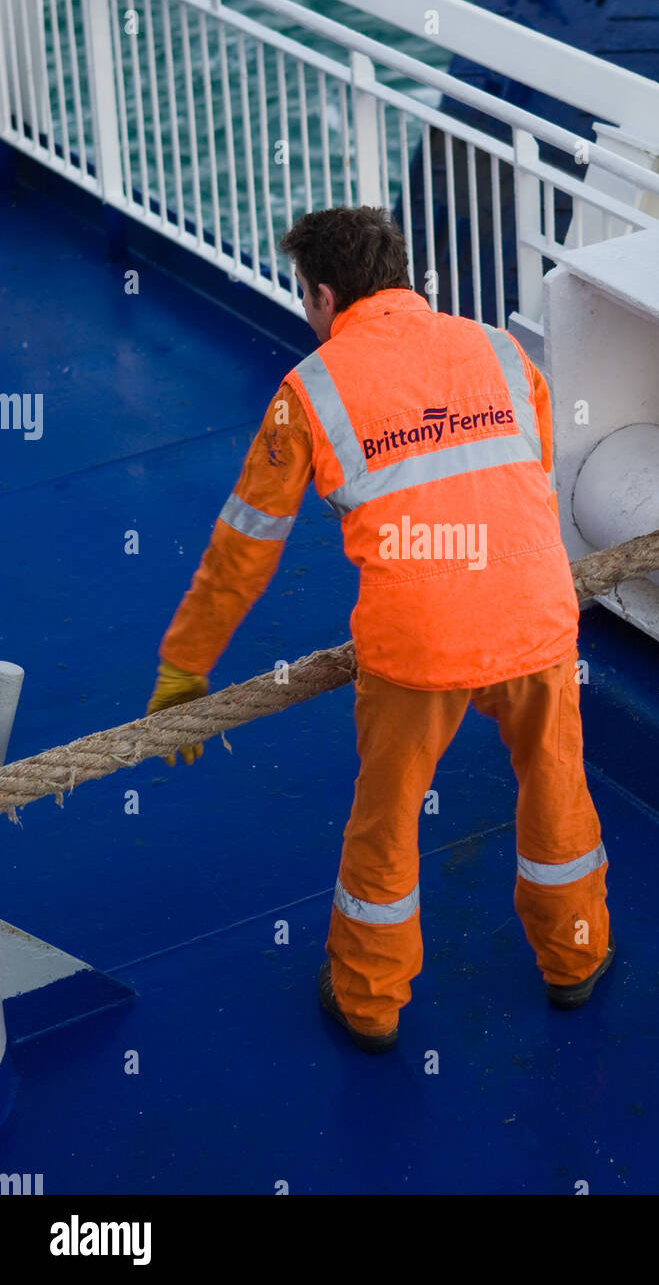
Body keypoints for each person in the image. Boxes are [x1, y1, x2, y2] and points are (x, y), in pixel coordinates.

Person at [146, 205, 613, 1053]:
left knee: (387, 820)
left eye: (304, 297)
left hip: (419, 642)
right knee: (555, 788)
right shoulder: (504, 351)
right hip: (537, 616)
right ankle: (575, 958)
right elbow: (529, 471)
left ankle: (368, 1002)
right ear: (401, 274)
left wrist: (184, 666)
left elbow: (245, 546)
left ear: (326, 295)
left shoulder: (310, 390)